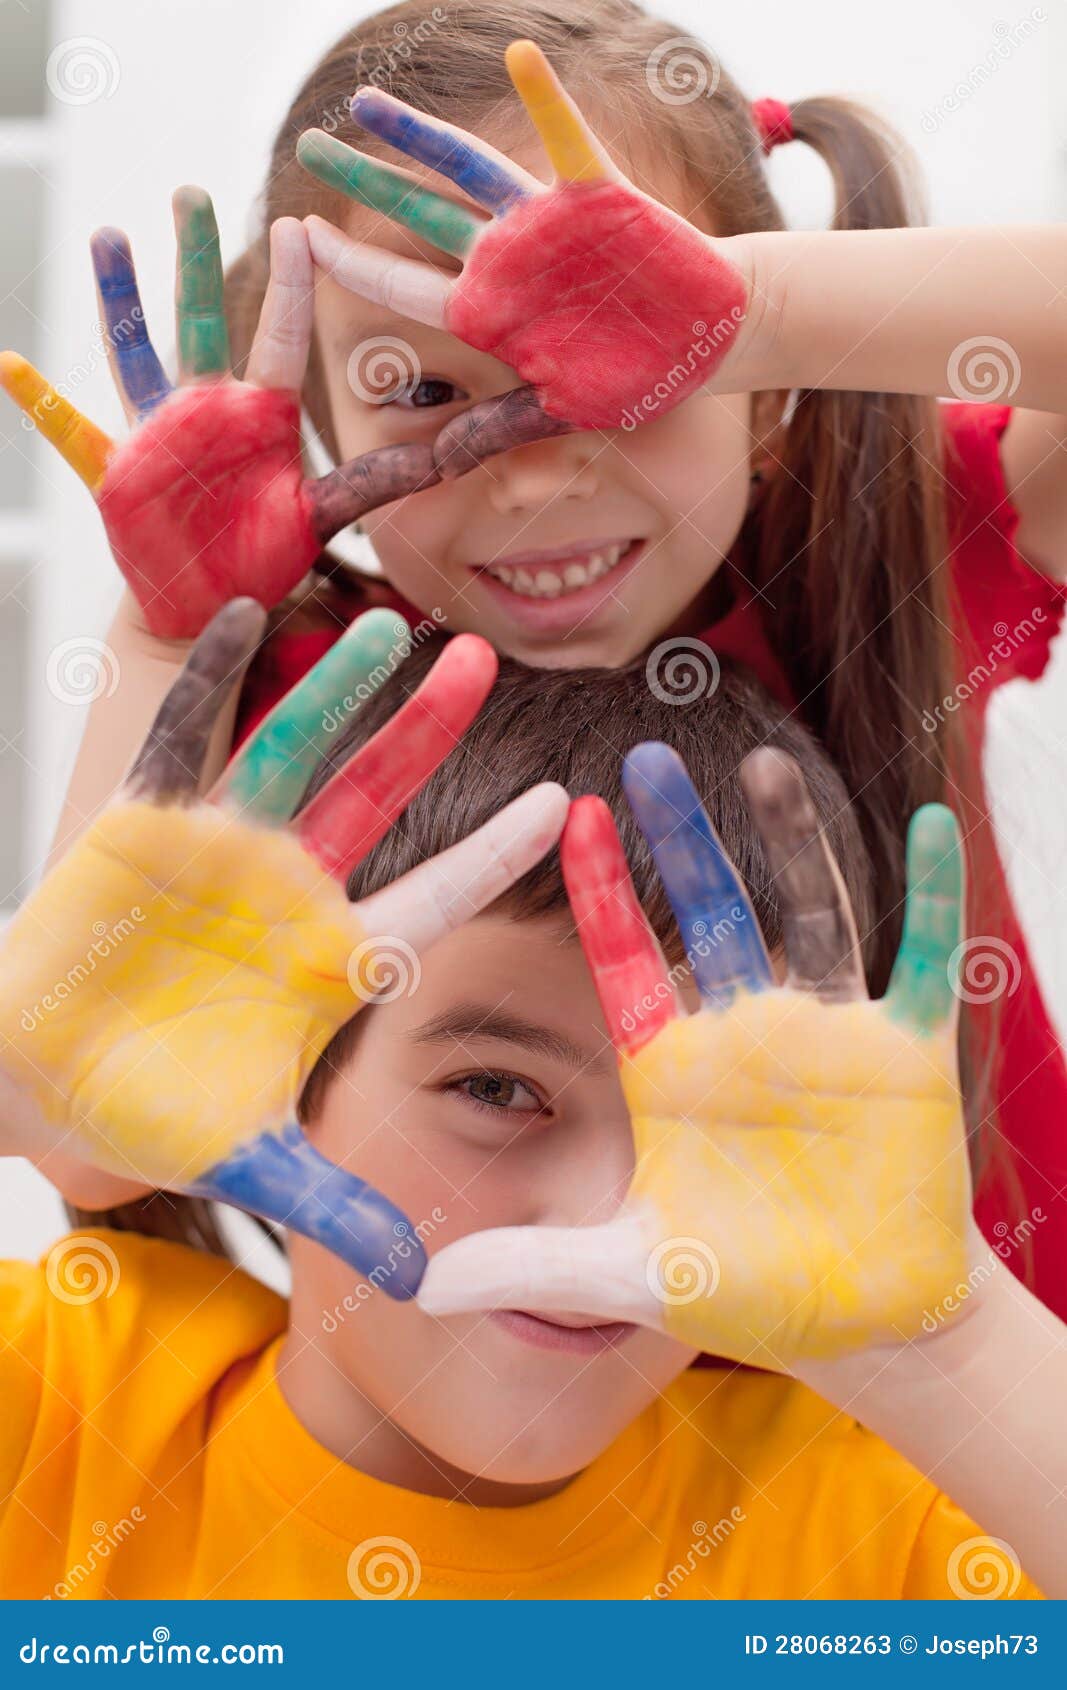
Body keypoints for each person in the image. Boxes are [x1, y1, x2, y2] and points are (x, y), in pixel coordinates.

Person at [3, 3, 1065, 1307]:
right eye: (430, 394)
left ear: (769, 388)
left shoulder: (890, 541)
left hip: (970, 1458)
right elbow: (77, 1128)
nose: (533, 479)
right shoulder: (322, 706)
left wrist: (759, 306)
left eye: (633, 369)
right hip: (534, 1480)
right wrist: (171, 622)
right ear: (326, 432)